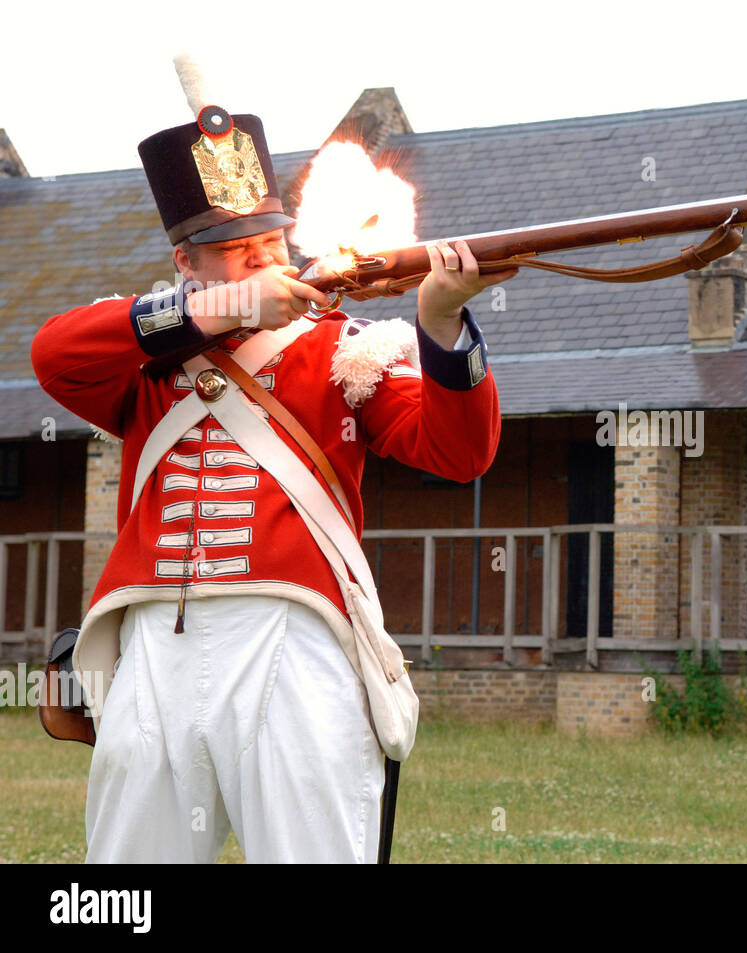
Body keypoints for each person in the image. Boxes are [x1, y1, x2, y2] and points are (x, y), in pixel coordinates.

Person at [29, 104, 516, 862]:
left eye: (268, 241)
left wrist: (443, 323)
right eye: (234, 250)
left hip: (293, 637)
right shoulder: (147, 352)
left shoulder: (346, 351)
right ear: (186, 264)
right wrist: (223, 312)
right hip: (155, 636)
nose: (261, 259)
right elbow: (53, 352)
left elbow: (460, 452)